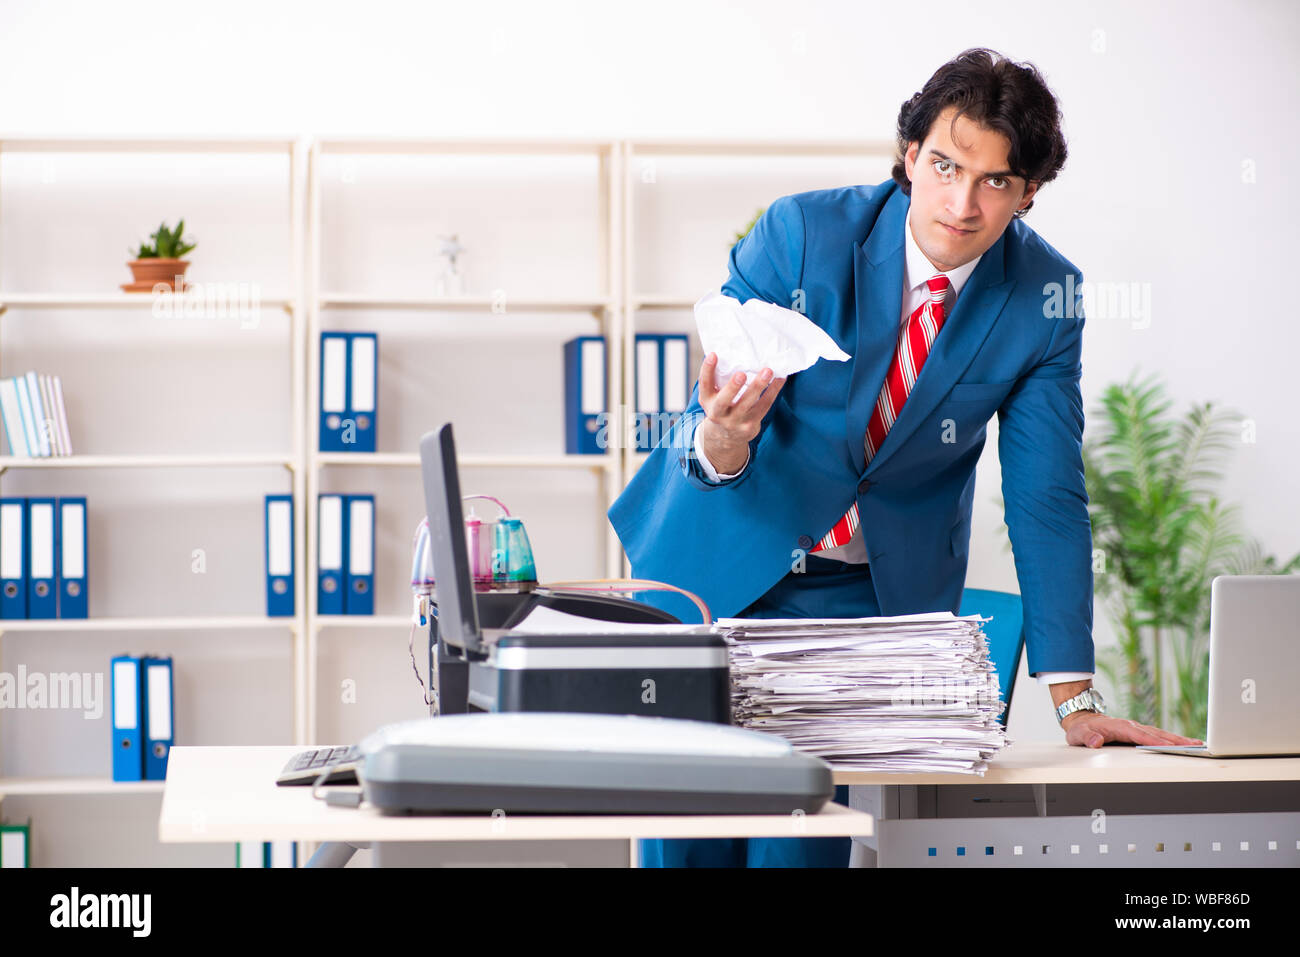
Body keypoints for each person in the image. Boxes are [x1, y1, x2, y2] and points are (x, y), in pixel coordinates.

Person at [608, 47, 1203, 868]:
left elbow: (1046, 497)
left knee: (800, 852)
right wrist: (725, 438)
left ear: (1029, 192)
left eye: (996, 181)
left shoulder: (1043, 299)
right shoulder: (802, 233)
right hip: (717, 570)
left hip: (861, 610)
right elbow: (711, 421)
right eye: (945, 165)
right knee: (684, 842)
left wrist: (1076, 694)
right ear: (908, 156)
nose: (961, 204)